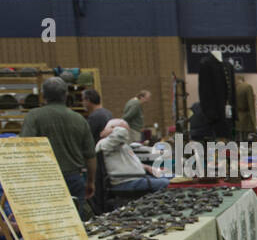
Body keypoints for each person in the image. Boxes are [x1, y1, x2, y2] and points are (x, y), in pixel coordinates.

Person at [21, 77, 97, 207]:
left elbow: (24, 147)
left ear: (43, 95)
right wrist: (90, 181)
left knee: (47, 223)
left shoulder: (33, 116)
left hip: (44, 180)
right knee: (76, 223)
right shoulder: (79, 119)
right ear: (66, 95)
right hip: (74, 178)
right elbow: (90, 155)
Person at [95, 118, 169, 191]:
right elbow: (122, 133)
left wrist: (145, 167)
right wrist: (111, 129)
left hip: (138, 178)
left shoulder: (120, 145)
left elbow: (129, 162)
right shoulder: (104, 144)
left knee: (172, 178)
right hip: (126, 182)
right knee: (167, 183)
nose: (127, 134)